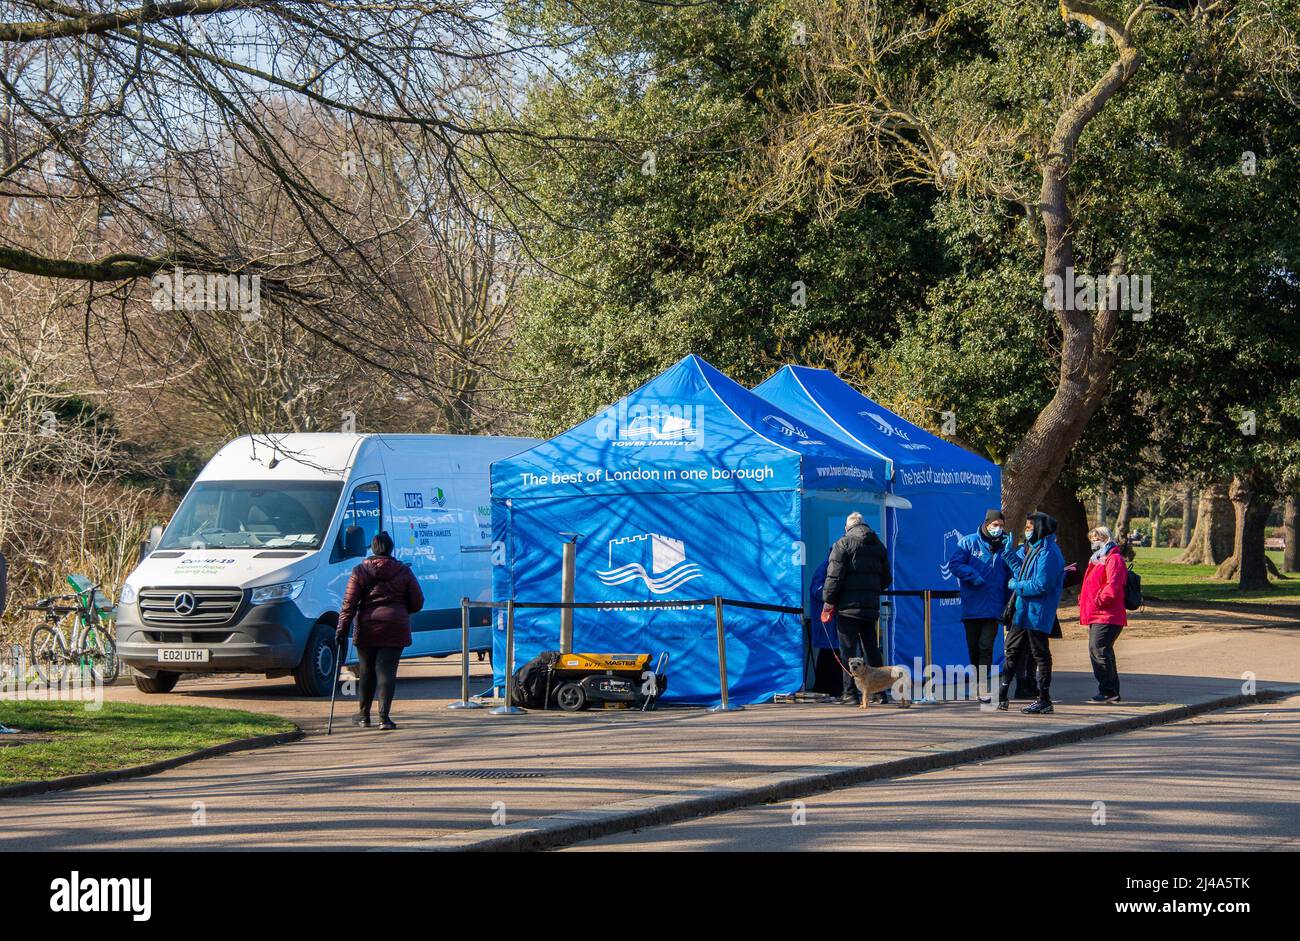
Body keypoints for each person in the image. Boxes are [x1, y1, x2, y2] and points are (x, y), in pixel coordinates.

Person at [336, 531, 423, 730]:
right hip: (395, 625)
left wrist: (342, 629)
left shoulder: (360, 571)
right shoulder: (404, 571)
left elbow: (349, 603)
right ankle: (384, 718)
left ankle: (364, 715)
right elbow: (418, 602)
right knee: (387, 672)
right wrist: (400, 609)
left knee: (366, 672)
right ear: (391, 548)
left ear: (372, 548)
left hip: (368, 626)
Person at [822, 512, 892, 705]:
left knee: (848, 651)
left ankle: (849, 694)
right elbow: (887, 578)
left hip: (847, 608)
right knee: (872, 650)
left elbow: (834, 577)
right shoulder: (878, 546)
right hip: (870, 607)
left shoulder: (842, 544)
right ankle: (879, 693)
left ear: (847, 527)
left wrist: (828, 600)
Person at [999, 511, 1065, 715]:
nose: (1026, 530)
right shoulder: (1035, 549)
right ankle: (1001, 695)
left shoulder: (1049, 552)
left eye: (1029, 527)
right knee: (1011, 650)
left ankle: (1044, 699)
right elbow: (1022, 571)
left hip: (1038, 612)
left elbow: (1041, 585)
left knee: (1039, 653)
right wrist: (1009, 553)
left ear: (1039, 528)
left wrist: (1016, 586)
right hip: (1022, 611)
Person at [948, 509, 1013, 703]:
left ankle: (983, 687)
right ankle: (976, 684)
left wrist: (1010, 603)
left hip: (994, 607)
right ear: (986, 524)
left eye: (1001, 526)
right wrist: (972, 576)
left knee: (986, 646)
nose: (998, 529)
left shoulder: (1006, 545)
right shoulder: (968, 542)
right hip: (972, 606)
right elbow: (955, 564)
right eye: (995, 525)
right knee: (974, 648)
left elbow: (1011, 573)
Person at [1080, 525, 1128, 703]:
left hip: (1107, 613)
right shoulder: (1097, 559)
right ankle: (1111, 690)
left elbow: (1113, 585)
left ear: (1106, 538)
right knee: (1102, 650)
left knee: (1098, 649)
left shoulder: (1113, 558)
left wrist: (1100, 599)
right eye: (1092, 539)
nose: (1094, 542)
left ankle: (1108, 690)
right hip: (1098, 612)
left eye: (1097, 538)